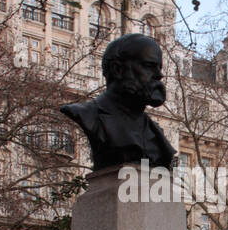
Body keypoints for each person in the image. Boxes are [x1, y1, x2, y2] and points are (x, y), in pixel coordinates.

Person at [61, 33, 176, 171]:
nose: (159, 75)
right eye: (148, 66)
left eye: (159, 67)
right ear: (118, 70)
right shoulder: (88, 115)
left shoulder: (155, 131)